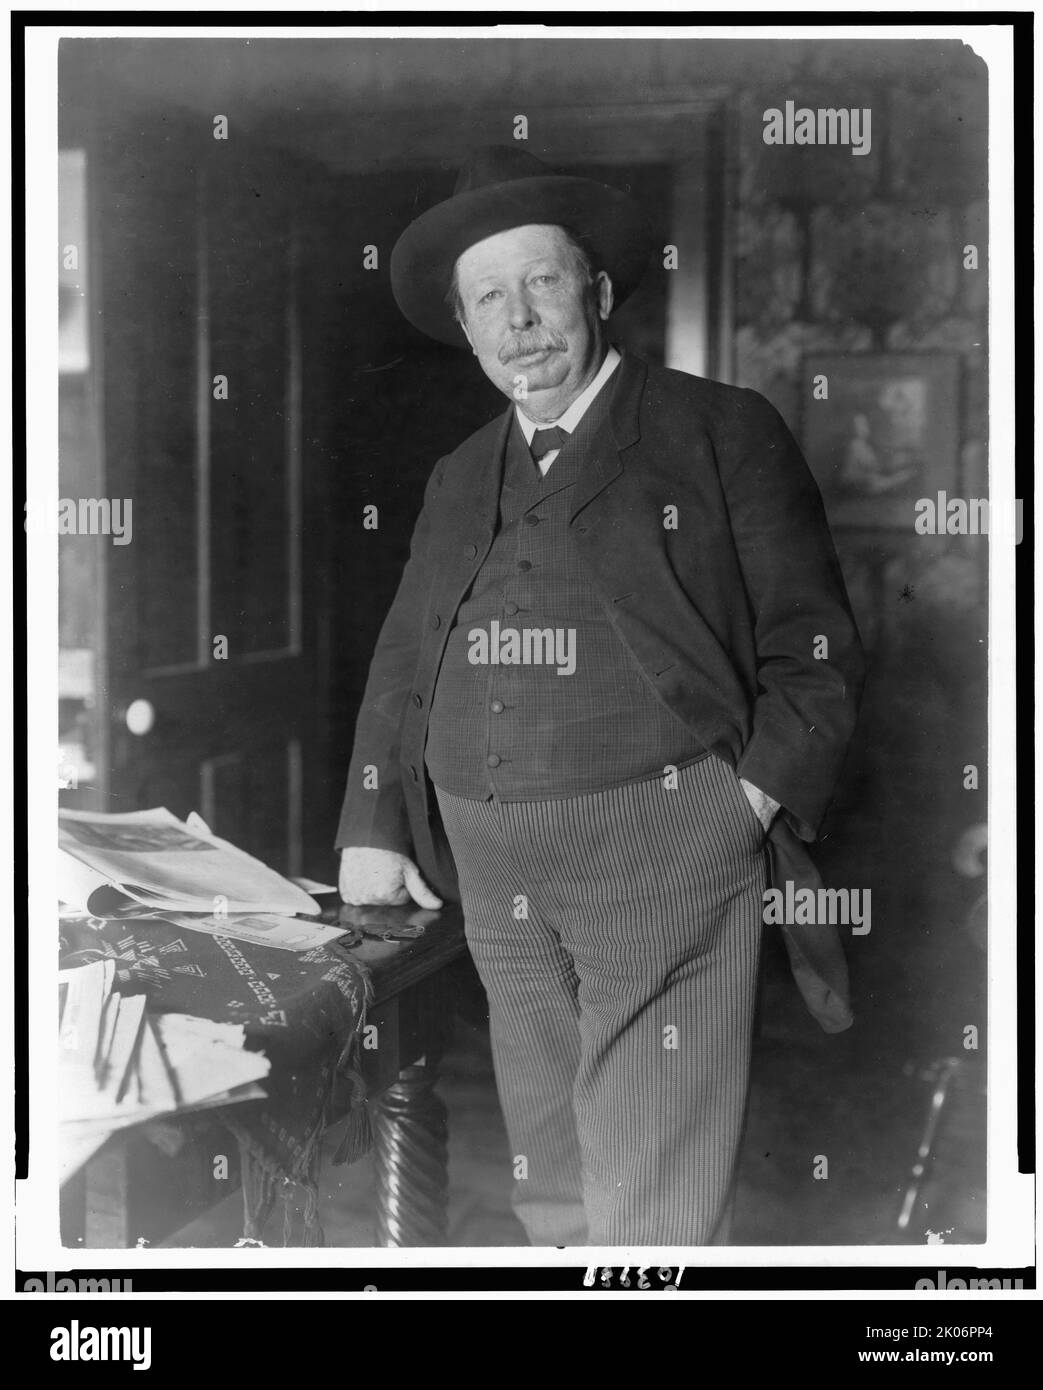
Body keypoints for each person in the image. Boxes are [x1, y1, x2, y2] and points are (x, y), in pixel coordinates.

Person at [336, 146, 865, 1245]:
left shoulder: (720, 429)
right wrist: (375, 824)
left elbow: (812, 645)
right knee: (550, 1171)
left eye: (540, 284)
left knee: (652, 1192)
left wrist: (743, 804)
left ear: (598, 295)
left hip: (662, 841)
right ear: (468, 329)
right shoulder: (457, 471)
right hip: (487, 859)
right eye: (490, 298)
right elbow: (403, 659)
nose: (519, 320)